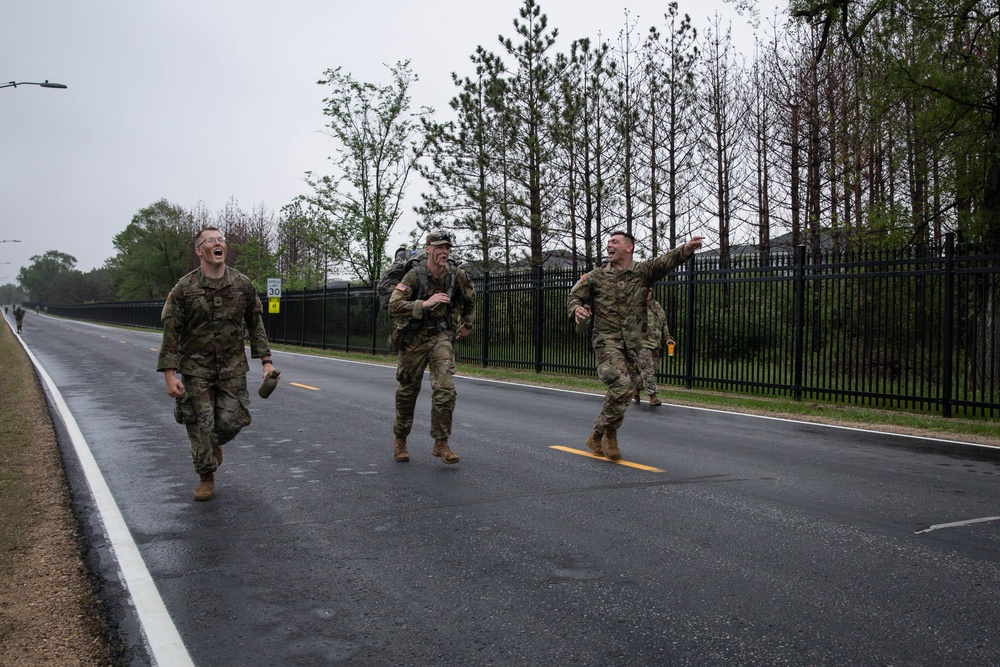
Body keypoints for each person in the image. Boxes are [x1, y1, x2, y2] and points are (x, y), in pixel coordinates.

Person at [156, 227, 276, 501]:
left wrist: (266, 362)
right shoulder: (184, 289)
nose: (218, 243)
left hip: (232, 367)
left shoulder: (242, 284)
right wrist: (169, 374)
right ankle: (206, 477)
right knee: (200, 424)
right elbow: (171, 331)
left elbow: (255, 325)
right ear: (199, 251)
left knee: (233, 419)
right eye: (210, 240)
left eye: (221, 239)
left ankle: (215, 443)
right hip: (195, 369)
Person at [568, 231, 703, 460]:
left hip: (633, 343)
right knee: (621, 384)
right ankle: (609, 434)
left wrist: (686, 249)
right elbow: (574, 296)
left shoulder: (643, 272)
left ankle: (598, 433)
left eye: (615, 242)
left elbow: (665, 262)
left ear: (628, 248)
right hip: (606, 341)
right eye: (608, 242)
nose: (609, 245)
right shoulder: (596, 276)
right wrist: (576, 309)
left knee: (624, 391)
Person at [387, 230, 476, 464]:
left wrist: (467, 323)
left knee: (445, 389)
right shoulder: (414, 276)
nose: (444, 252)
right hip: (414, 338)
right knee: (407, 391)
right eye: (439, 248)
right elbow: (393, 305)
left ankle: (441, 443)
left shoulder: (456, 274)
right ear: (428, 249)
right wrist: (425, 303)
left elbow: (470, 298)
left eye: (447, 248)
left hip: (441, 336)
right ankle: (401, 439)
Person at [631, 290, 674, 406]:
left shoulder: (656, 306)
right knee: (648, 370)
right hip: (642, 344)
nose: (647, 294)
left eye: (649, 291)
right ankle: (652, 396)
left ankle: (637, 387)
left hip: (656, 343)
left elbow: (663, 323)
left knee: (653, 371)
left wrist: (668, 338)